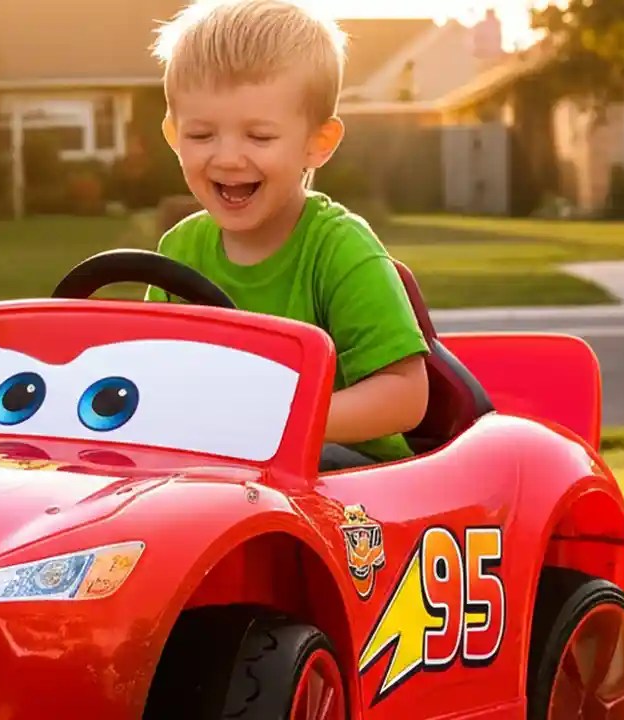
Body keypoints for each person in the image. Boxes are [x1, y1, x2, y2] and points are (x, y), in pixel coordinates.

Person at [144, 0, 429, 470]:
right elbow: (152, 376)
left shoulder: (340, 249)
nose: (229, 157)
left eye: (258, 137)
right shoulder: (177, 252)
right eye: (201, 135)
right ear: (174, 135)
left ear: (317, 144)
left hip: (345, 475)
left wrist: (277, 420)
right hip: (219, 469)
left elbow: (405, 397)